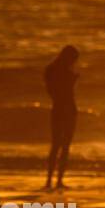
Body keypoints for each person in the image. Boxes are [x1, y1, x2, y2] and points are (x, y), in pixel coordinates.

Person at [43, 45, 79, 191]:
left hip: (58, 108)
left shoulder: (50, 71)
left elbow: (51, 91)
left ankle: (50, 180)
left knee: (57, 145)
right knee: (63, 146)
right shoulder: (67, 74)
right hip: (67, 109)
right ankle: (57, 180)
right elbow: (66, 92)